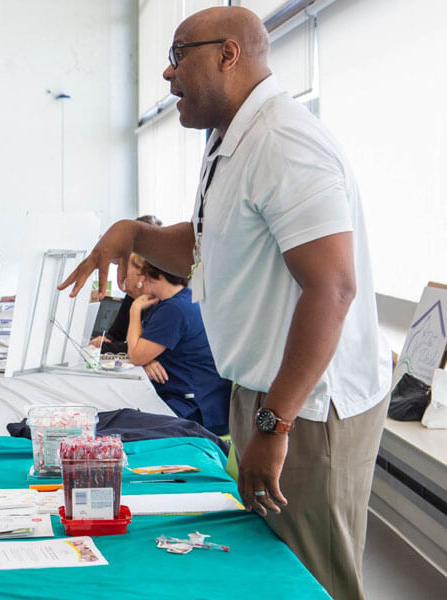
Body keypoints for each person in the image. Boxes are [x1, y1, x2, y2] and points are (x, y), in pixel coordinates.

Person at [59, 7, 390, 599]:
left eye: (179, 54)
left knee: (309, 578)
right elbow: (208, 240)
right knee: (268, 571)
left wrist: (276, 421)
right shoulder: (231, 139)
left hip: (309, 407)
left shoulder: (284, 141)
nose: (166, 73)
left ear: (228, 54)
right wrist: (134, 233)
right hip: (269, 396)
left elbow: (332, 287)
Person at [123, 253, 230, 435]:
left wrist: (134, 310)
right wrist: (147, 360)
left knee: (123, 422)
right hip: (206, 401)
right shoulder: (185, 299)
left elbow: (135, 354)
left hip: (193, 408)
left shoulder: (173, 310)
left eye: (142, 277)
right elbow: (140, 349)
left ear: (156, 276)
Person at [89, 215, 163, 353]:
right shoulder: (133, 293)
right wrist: (104, 341)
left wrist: (105, 347)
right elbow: (116, 335)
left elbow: (143, 351)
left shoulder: (166, 298)